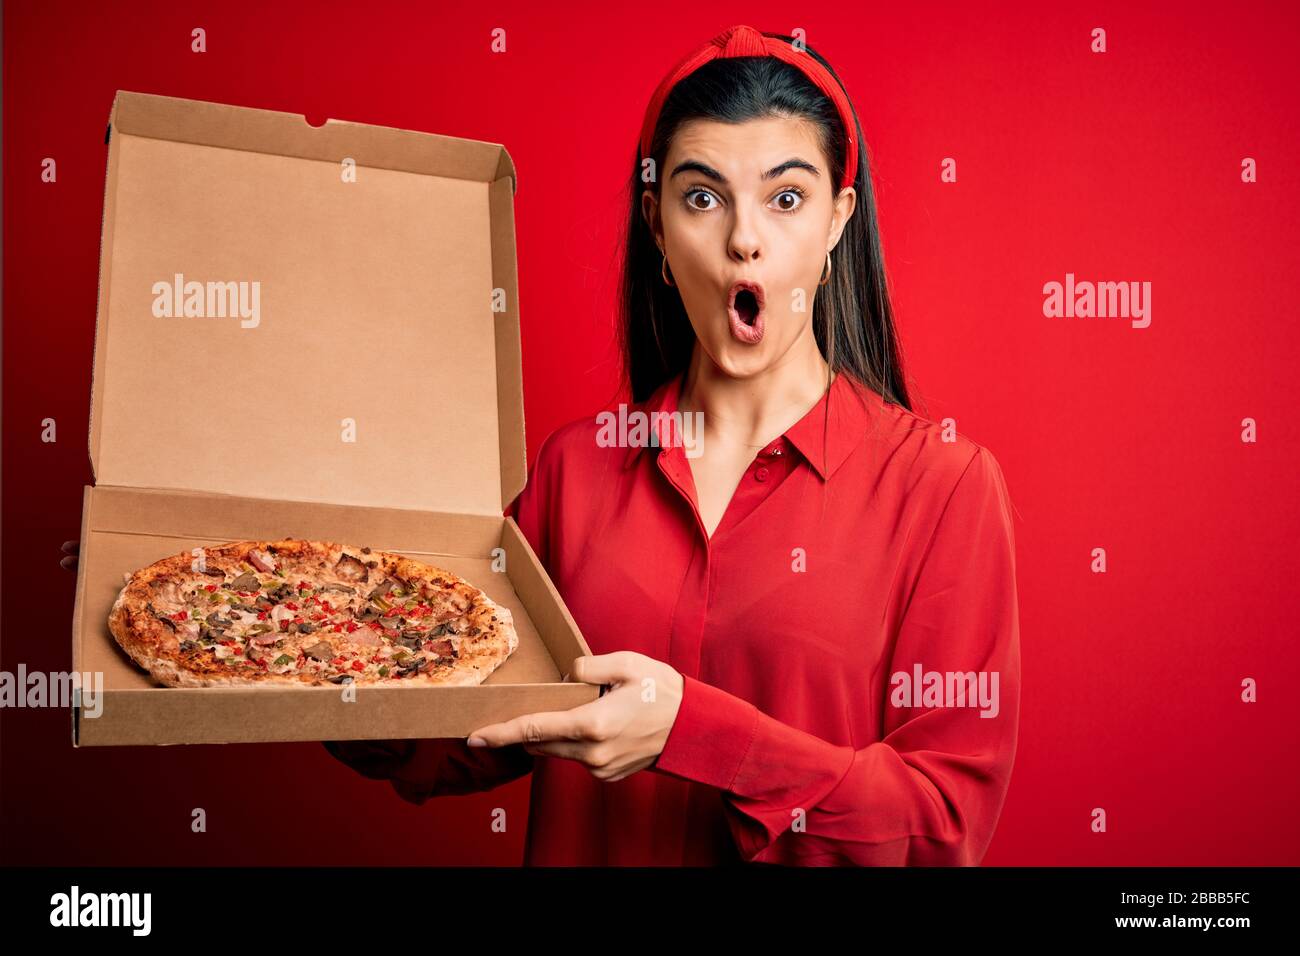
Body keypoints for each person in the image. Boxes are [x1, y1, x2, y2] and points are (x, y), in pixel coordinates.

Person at [71, 25, 1021, 866]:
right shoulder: (573, 470)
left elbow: (942, 829)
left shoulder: (942, 488)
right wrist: (299, 654)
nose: (744, 243)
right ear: (656, 223)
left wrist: (697, 732)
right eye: (702, 198)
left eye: (785, 198)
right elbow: (467, 733)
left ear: (838, 226)